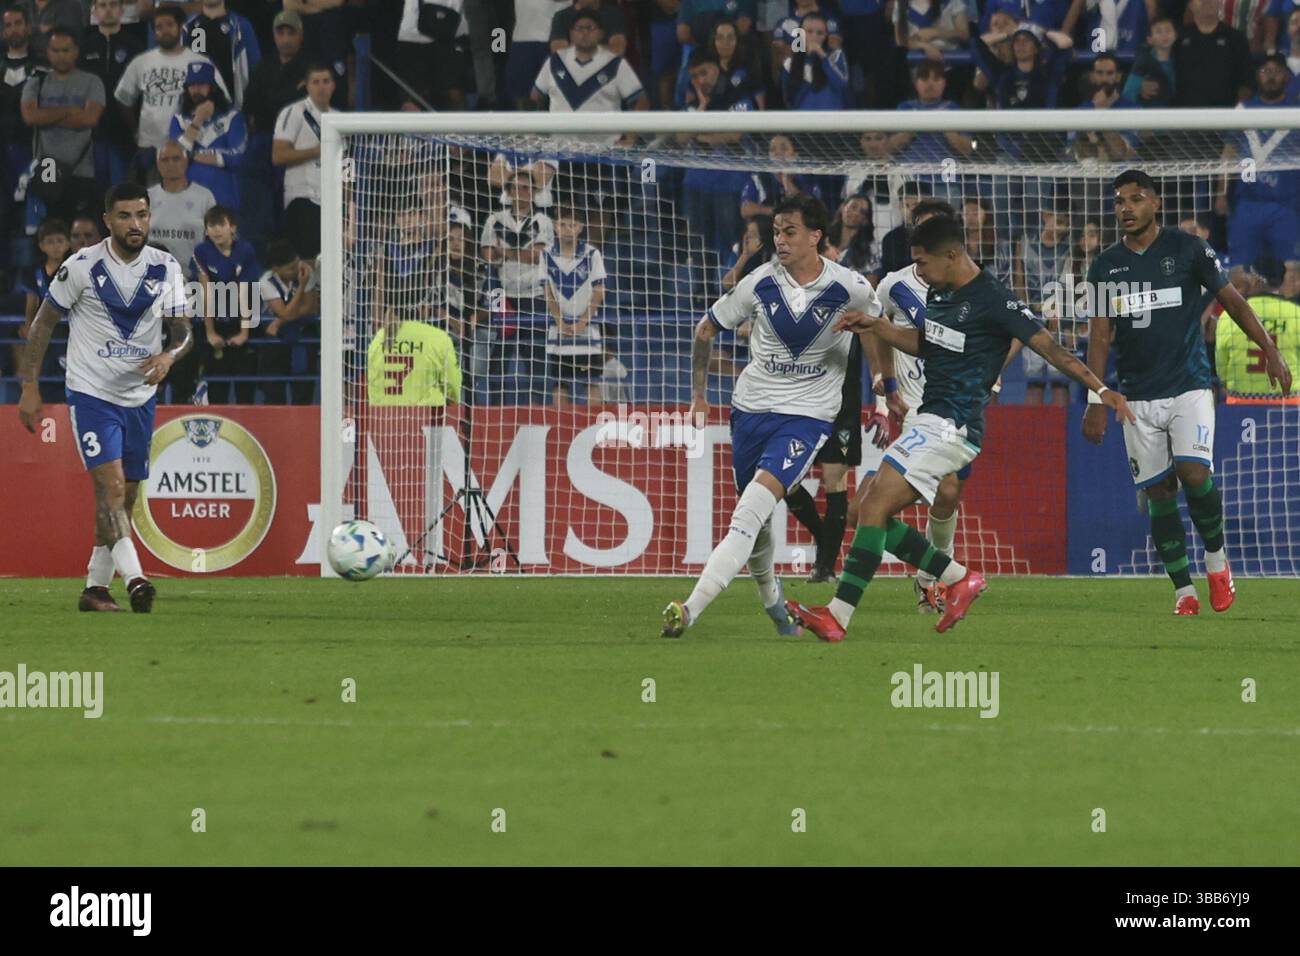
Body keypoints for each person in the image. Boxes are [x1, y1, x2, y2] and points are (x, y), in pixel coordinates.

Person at [790, 215, 1131, 640]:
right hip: (930, 418)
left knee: (874, 509)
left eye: (924, 262)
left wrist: (1102, 391)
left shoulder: (995, 300)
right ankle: (957, 578)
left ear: (952, 255)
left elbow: (1053, 351)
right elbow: (927, 344)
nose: (920, 271)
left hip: (955, 425)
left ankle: (838, 617)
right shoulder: (939, 292)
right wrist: (877, 325)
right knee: (863, 509)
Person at [660, 194, 884, 639]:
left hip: (807, 417)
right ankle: (777, 610)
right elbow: (705, 329)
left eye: (789, 232)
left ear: (816, 236)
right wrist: (699, 396)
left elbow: (876, 327)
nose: (779, 241)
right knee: (755, 523)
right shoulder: (758, 283)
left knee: (748, 512)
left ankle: (689, 609)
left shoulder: (850, 286)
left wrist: (881, 383)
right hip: (750, 412)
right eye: (776, 232)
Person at [1081, 170, 1293, 615]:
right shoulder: (1105, 265)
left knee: (1194, 474)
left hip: (1189, 386)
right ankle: (1184, 591)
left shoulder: (1188, 249)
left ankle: (1217, 566)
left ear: (1155, 204)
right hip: (1136, 395)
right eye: (1120, 201)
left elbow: (1233, 301)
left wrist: (1270, 350)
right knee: (1159, 492)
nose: (1126, 208)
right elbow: (1100, 336)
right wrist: (1097, 398)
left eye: (1136, 199)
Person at [17, 181, 192, 613]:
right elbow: (42, 324)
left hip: (139, 396)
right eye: (126, 216)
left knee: (124, 497)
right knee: (111, 489)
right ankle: (136, 580)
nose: (136, 224)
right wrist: (29, 385)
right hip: (92, 393)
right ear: (107, 221)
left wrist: (170, 356)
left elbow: (184, 331)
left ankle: (95, 588)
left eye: (142, 215)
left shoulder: (165, 267)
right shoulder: (80, 267)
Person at [114, 5, 225, 181]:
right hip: (150, 146)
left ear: (180, 27)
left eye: (169, 25)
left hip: (192, 147)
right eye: (159, 27)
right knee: (153, 201)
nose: (165, 30)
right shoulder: (142, 62)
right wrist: (135, 131)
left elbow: (222, 101)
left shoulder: (199, 61)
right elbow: (123, 98)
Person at [20, 28, 103, 223]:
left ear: (76, 51)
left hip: (81, 168)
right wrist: (70, 110)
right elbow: (30, 117)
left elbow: (90, 119)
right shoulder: (36, 83)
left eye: (66, 50)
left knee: (80, 229)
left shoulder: (92, 82)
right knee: (50, 229)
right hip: (47, 166)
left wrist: (47, 116)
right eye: (55, 50)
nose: (61, 56)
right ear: (48, 52)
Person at [192, 205, 258, 403]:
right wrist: (211, 332)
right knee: (217, 386)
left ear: (233, 227)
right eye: (211, 226)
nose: (216, 230)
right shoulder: (201, 251)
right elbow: (205, 292)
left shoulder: (245, 250)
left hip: (241, 317)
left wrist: (244, 333)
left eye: (221, 224)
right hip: (215, 318)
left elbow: (247, 292)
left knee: (245, 388)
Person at [542, 205, 606, 407]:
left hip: (587, 332)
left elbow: (599, 291)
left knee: (591, 383)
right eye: (562, 224)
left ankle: (595, 430)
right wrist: (560, 321)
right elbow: (547, 292)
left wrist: (582, 322)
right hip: (558, 332)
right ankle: (561, 432)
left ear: (580, 227)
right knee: (559, 384)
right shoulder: (546, 254)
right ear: (555, 226)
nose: (567, 229)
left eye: (572, 225)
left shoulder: (592, 254)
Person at [1216, 256, 1300, 404]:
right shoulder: (1296, 314)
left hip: (1241, 404)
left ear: (1255, 280)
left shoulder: (1230, 315)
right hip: (1289, 405)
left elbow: (1221, 366)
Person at [272, 62, 334, 260]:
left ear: (333, 85)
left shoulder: (339, 118)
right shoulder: (294, 112)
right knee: (307, 266)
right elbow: (278, 155)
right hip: (303, 198)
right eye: (316, 82)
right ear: (306, 85)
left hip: (332, 202)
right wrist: (317, 151)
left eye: (326, 81)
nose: (321, 86)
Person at [78, 0, 141, 194]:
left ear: (122, 10)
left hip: (123, 129)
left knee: (120, 189)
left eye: (113, 5)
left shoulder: (135, 46)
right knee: (95, 190)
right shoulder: (84, 45)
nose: (108, 10)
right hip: (92, 131)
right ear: (94, 11)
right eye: (102, 5)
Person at [167, 59, 246, 208]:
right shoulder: (179, 120)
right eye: (192, 85)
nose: (196, 90)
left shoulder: (232, 117)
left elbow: (238, 157)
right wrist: (198, 120)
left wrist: (192, 155)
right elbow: (174, 158)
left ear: (213, 87)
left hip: (225, 198)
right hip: (188, 200)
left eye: (202, 84)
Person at [256, 237, 319, 404]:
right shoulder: (265, 282)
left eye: (297, 263)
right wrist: (302, 287)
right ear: (276, 269)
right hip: (275, 342)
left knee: (303, 389)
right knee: (274, 392)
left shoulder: (306, 271)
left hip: (300, 336)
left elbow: (310, 307)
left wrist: (278, 322)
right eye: (291, 268)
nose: (297, 270)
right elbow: (285, 312)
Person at [15, 217, 70, 400]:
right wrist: (29, 324)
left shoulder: (74, 268)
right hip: (45, 331)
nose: (55, 246)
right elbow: (32, 302)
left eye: (60, 241)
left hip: (67, 331)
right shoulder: (34, 272)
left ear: (68, 243)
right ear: (41, 246)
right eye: (50, 242)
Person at [145, 139, 215, 280]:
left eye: (176, 159)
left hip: (194, 278)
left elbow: (214, 241)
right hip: (154, 277)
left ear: (186, 161)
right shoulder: (146, 198)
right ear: (158, 164)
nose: (170, 164)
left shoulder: (204, 196)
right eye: (165, 160)